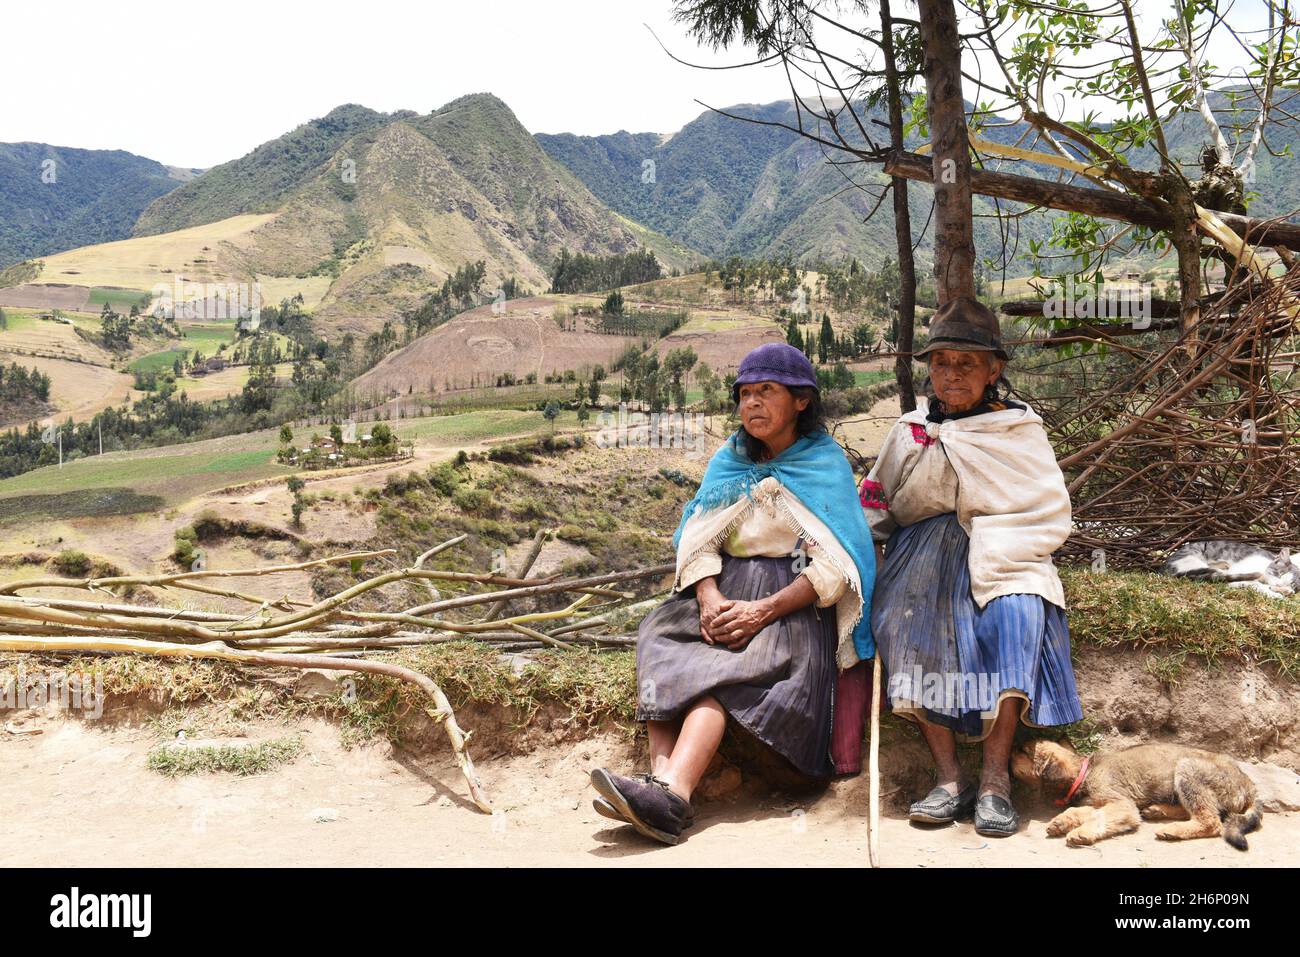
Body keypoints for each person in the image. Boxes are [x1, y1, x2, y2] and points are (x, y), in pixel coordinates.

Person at [589, 342, 876, 845]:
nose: (753, 404)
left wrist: (764, 609)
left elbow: (839, 563)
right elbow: (699, 535)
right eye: (745, 393)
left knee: (725, 668)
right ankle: (661, 782)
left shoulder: (823, 465)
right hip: (723, 590)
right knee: (659, 635)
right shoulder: (732, 460)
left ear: (802, 400)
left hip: (791, 603)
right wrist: (707, 596)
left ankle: (671, 792)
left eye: (767, 391)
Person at [861, 297, 1083, 837]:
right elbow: (875, 504)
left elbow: (1048, 510)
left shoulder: (1017, 430)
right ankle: (948, 779)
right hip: (923, 550)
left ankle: (994, 781)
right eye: (941, 363)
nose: (952, 373)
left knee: (1017, 616)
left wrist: (1000, 542)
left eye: (967, 363)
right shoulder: (911, 430)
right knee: (905, 623)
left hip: (1008, 547)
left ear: (994, 370)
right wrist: (873, 566)